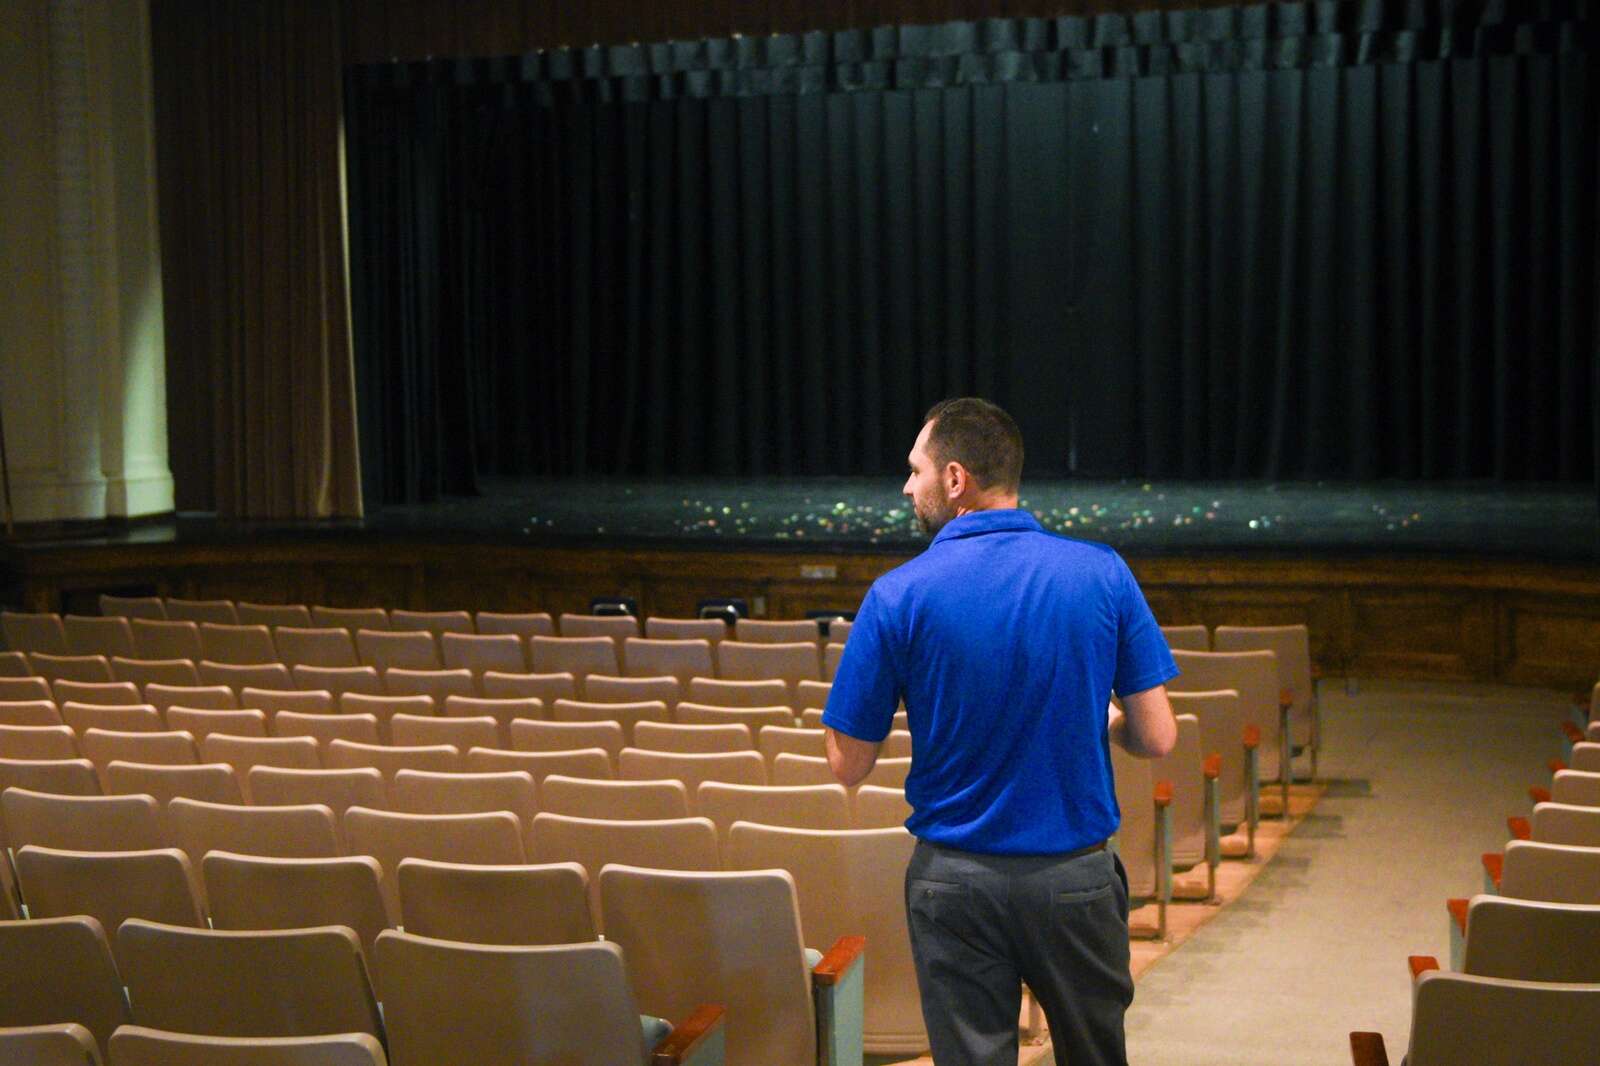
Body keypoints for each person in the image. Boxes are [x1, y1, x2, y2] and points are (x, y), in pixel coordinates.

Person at [822, 397, 1179, 1066]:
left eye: (915, 470)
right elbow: (1158, 737)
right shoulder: (1102, 572)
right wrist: (1108, 722)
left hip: (953, 885)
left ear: (955, 480)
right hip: (1076, 880)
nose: (906, 486)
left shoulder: (897, 594)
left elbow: (847, 765)